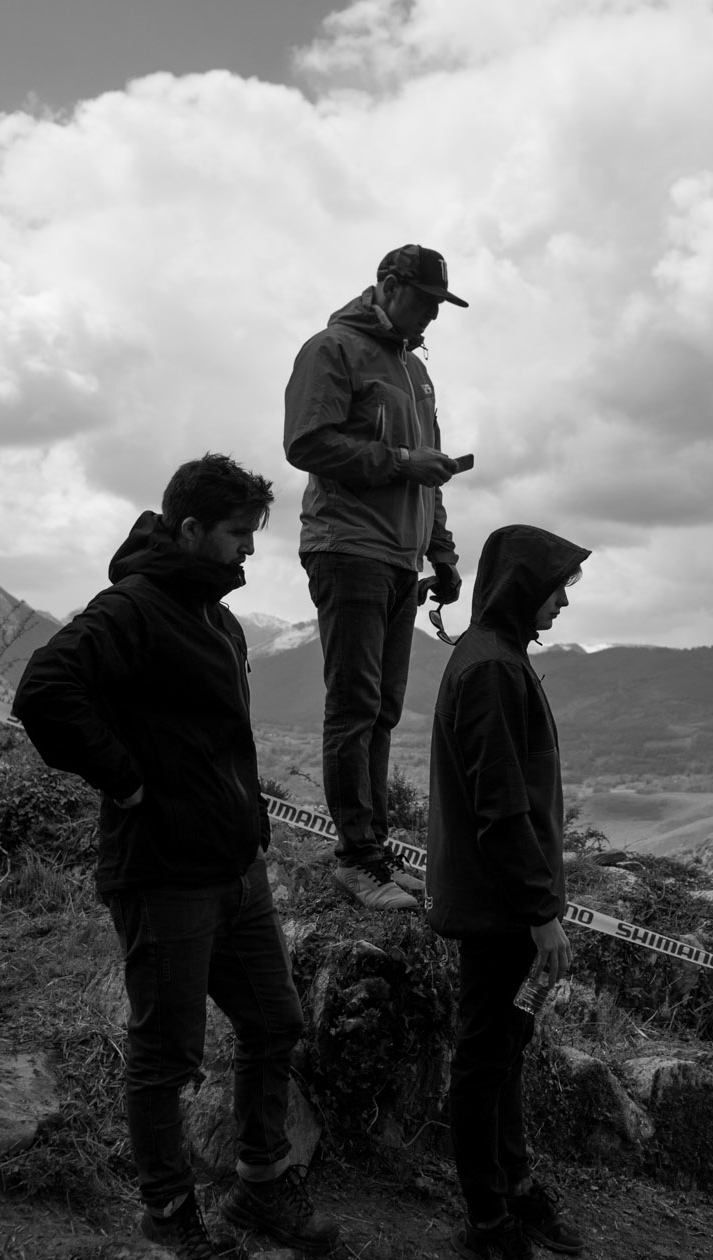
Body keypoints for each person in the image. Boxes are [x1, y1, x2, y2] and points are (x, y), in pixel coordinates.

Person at [13, 454, 339, 1260]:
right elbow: (45, 689)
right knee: (167, 1054)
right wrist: (125, 779)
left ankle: (262, 1182)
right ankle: (167, 1212)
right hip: (164, 874)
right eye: (237, 534)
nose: (248, 550)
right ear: (190, 529)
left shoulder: (215, 617)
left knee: (274, 1020)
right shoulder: (134, 608)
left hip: (234, 869)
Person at [425, 523, 592, 1260]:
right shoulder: (492, 667)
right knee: (484, 1057)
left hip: (507, 904)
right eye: (556, 587)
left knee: (505, 1051)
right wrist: (540, 909)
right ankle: (487, 1220)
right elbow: (500, 806)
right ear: (524, 586)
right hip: (500, 908)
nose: (563, 601)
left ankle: (514, 1186)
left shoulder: (500, 655)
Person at [284, 243, 466, 913]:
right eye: (425, 300)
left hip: (399, 559)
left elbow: (430, 472)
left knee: (382, 709)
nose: (433, 316)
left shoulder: (415, 371)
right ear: (389, 286)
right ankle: (356, 860)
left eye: (440, 305)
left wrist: (442, 554)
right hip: (347, 546)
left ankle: (375, 852)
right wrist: (400, 462)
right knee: (355, 705)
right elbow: (306, 442)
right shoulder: (331, 349)